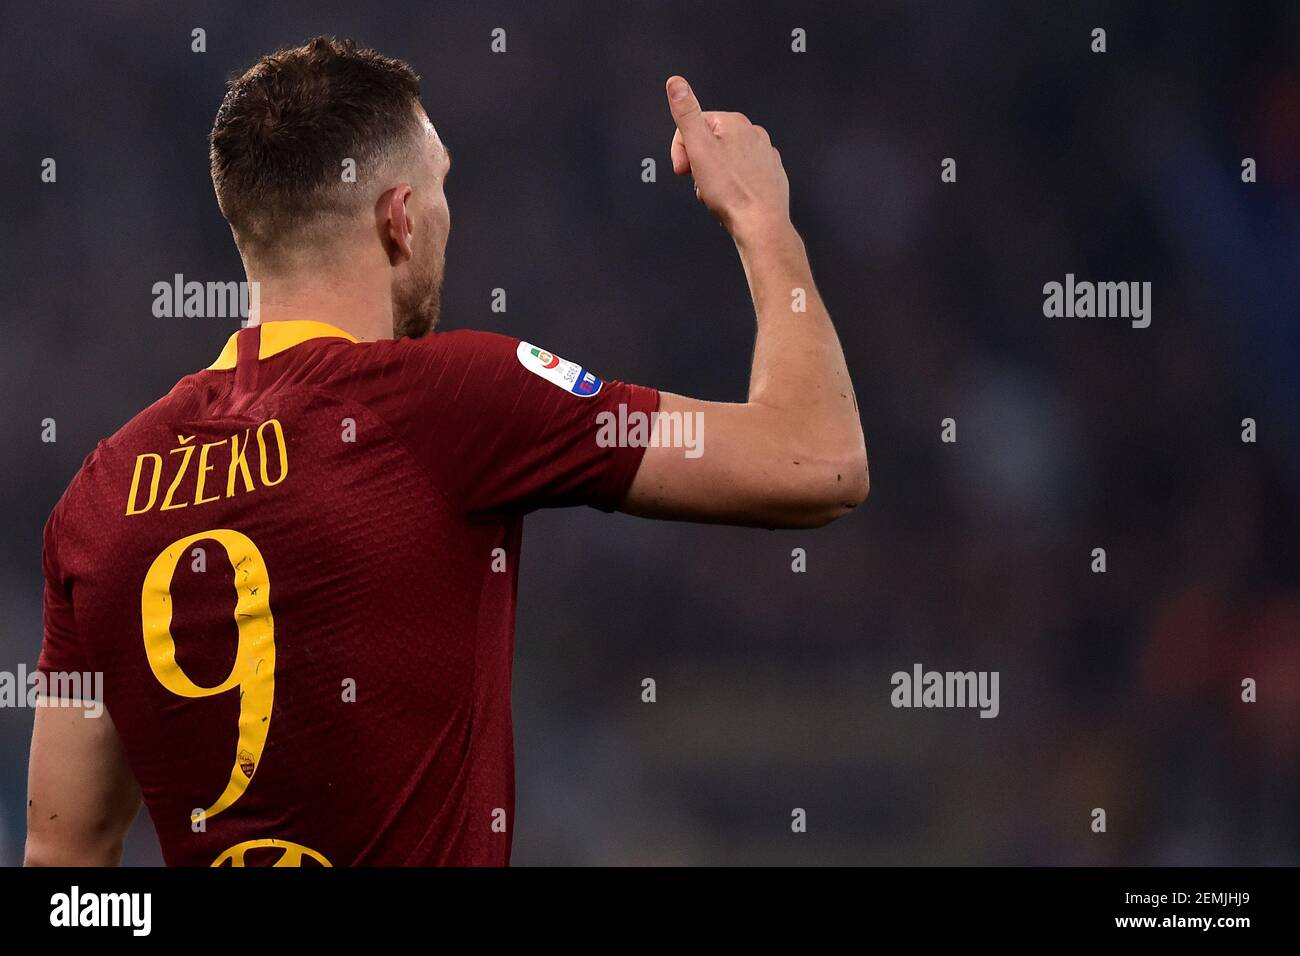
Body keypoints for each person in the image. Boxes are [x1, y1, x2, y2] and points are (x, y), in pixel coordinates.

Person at [25, 37, 867, 866]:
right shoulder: (454, 399)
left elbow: (64, 855)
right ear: (398, 218)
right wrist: (761, 219)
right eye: (440, 190)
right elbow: (816, 462)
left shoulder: (98, 498)